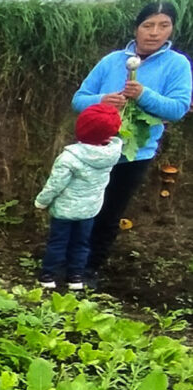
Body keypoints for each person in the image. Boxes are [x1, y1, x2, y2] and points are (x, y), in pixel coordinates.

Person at [71, 2, 192, 282]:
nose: (154, 33)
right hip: (92, 149)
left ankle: (88, 269)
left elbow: (177, 108)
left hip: (133, 154)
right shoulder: (112, 61)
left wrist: (143, 94)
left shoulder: (177, 64)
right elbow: (79, 99)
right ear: (136, 29)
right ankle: (64, 259)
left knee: (109, 211)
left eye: (163, 26)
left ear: (172, 29)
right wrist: (102, 100)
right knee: (79, 206)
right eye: (148, 25)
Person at [34, 104, 124, 290]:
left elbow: (55, 184)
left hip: (65, 210)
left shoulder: (70, 158)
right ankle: (75, 277)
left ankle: (48, 275)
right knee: (81, 244)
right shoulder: (110, 155)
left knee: (58, 242)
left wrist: (42, 201)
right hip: (89, 210)